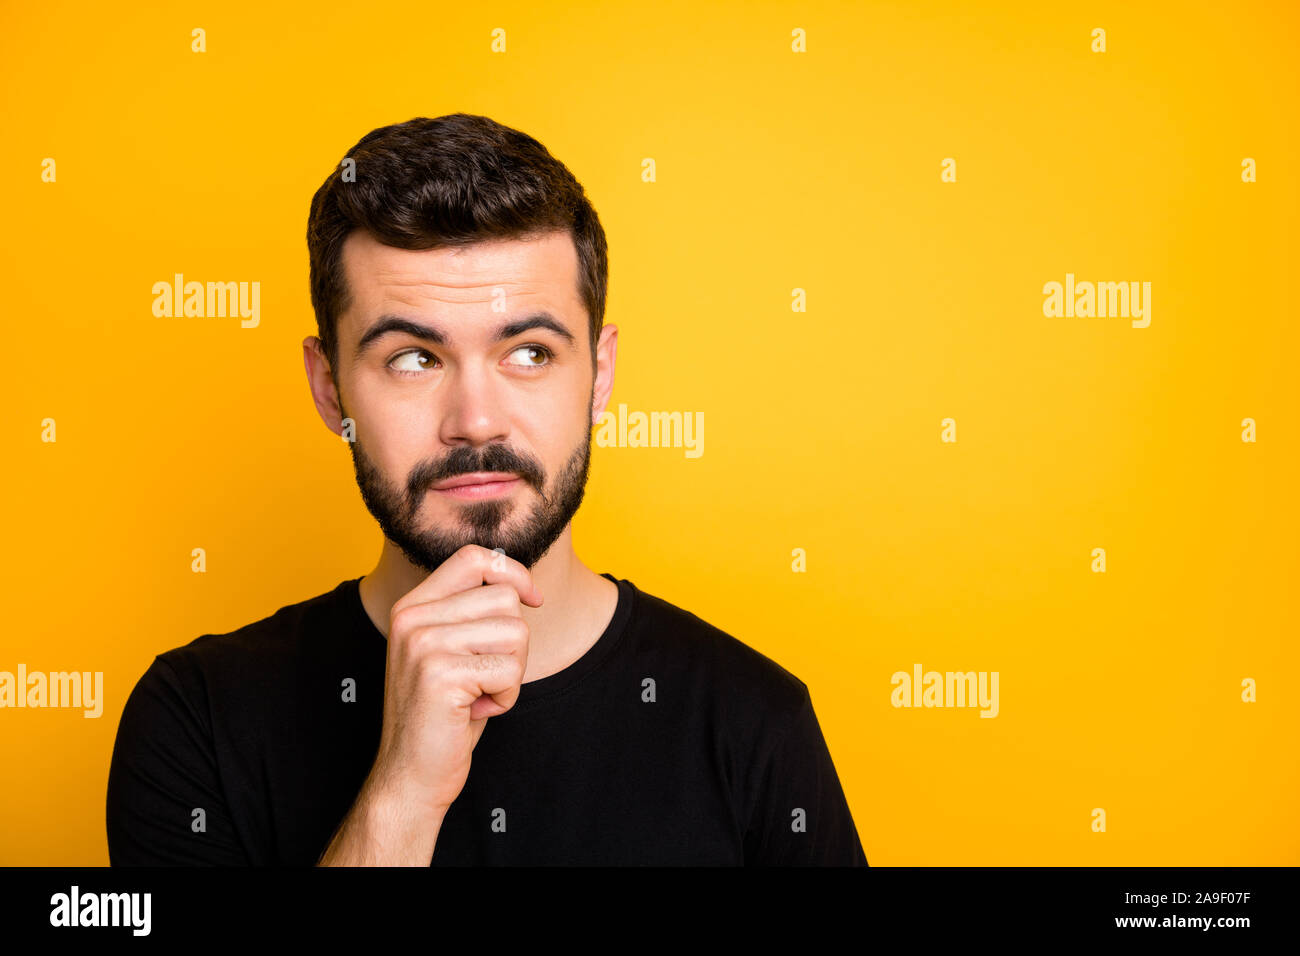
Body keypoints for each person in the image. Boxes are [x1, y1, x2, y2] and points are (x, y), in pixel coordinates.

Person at [106, 113, 867, 866]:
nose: (475, 422)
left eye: (530, 352)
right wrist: (402, 793)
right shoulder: (195, 720)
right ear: (330, 387)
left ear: (599, 375)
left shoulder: (755, 720)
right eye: (413, 359)